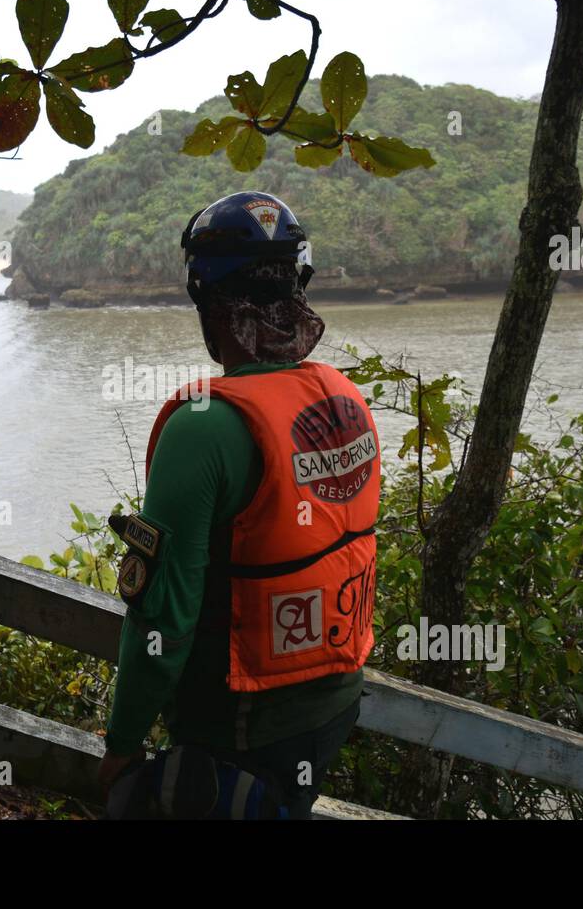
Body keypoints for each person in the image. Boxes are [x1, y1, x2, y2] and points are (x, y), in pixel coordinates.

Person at [98, 191, 381, 819]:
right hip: (335, 698)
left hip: (240, 723)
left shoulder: (203, 426)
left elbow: (164, 619)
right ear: (296, 285)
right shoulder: (343, 399)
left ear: (207, 298)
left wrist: (122, 742)